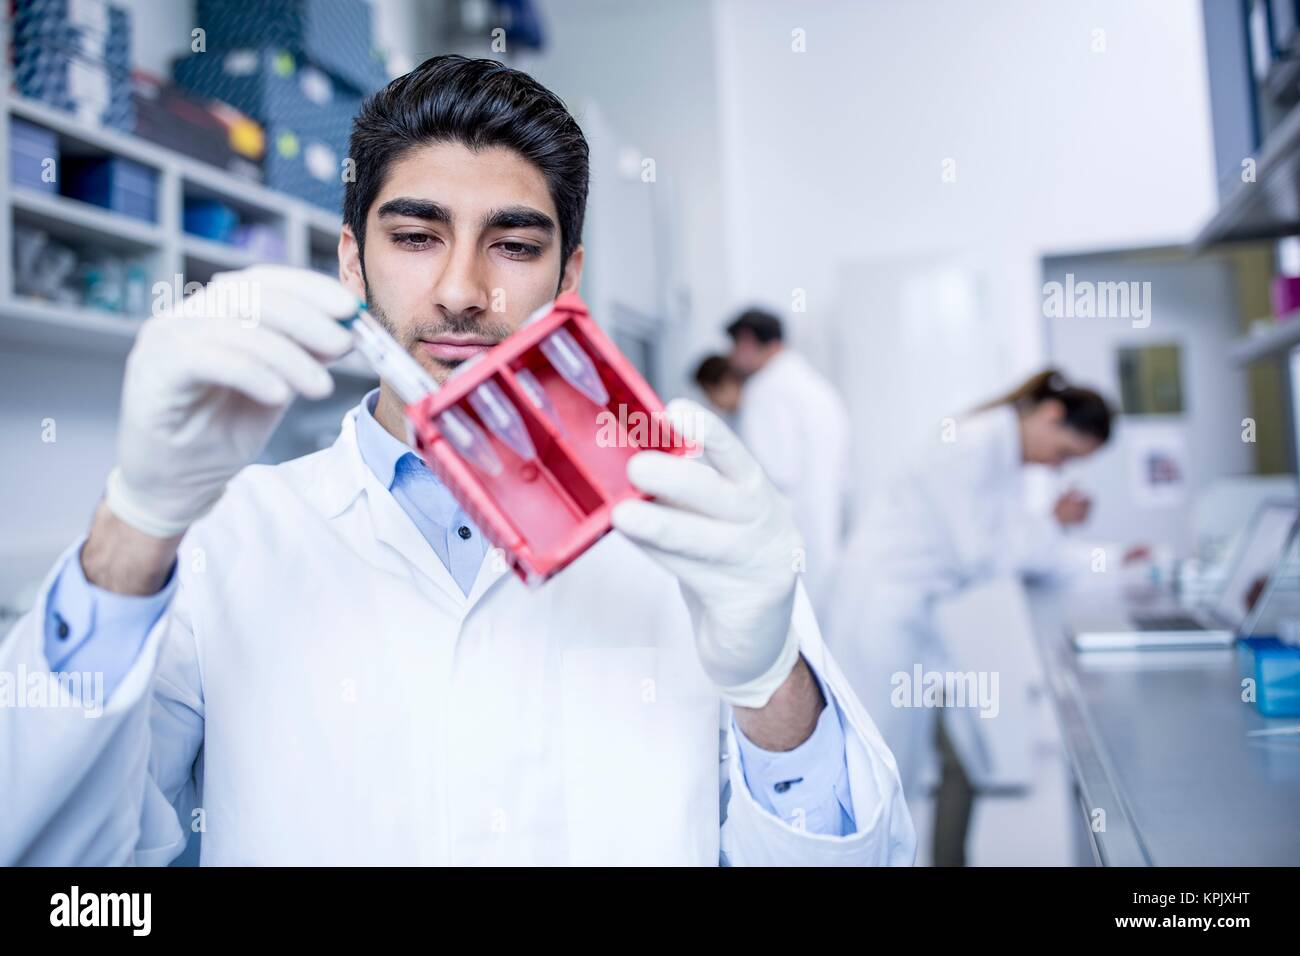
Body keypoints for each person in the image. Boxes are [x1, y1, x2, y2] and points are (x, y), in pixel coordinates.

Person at [0, 55, 913, 866]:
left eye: (514, 246)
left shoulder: (692, 534)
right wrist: (135, 526)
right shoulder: (227, 538)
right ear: (352, 262)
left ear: (570, 278)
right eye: (414, 236)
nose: (463, 292)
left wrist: (768, 685)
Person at [824, 369, 1114, 866]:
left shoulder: (997, 454)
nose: (1055, 467)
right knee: (882, 770)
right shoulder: (972, 446)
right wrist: (1054, 526)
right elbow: (981, 552)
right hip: (880, 616)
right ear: (1050, 414)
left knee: (962, 757)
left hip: (913, 617)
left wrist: (1088, 549)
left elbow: (1007, 543)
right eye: (1065, 453)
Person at [725, 309, 851, 618]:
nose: (731, 357)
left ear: (748, 341)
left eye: (734, 346)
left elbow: (772, 472)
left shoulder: (765, 390)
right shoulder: (816, 386)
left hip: (790, 536)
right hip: (824, 531)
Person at [692, 354, 742, 421]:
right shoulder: (731, 417)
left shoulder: (754, 409)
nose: (710, 401)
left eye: (709, 393)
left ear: (726, 382)